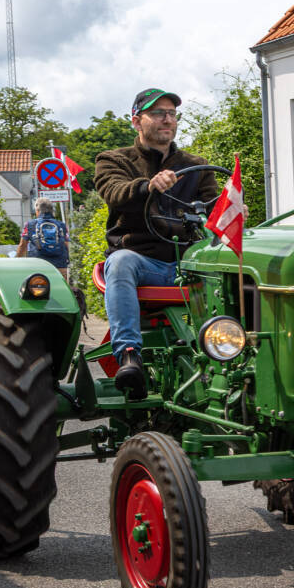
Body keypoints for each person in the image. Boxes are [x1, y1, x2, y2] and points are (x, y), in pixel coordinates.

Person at [94, 88, 218, 400]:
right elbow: (115, 192)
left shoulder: (196, 165)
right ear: (137, 121)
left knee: (241, 267)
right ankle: (129, 355)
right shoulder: (113, 160)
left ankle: (234, 350)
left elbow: (214, 208)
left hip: (188, 262)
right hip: (141, 259)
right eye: (159, 113)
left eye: (172, 113)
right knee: (120, 262)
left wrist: (232, 207)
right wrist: (147, 186)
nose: (167, 119)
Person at [16, 197, 70, 278]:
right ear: (52, 211)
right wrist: (67, 260)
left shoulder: (30, 224)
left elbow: (22, 245)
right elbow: (66, 245)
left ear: (37, 211)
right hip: (60, 264)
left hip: (37, 265)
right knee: (61, 288)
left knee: (37, 288)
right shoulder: (61, 225)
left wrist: (16, 260)